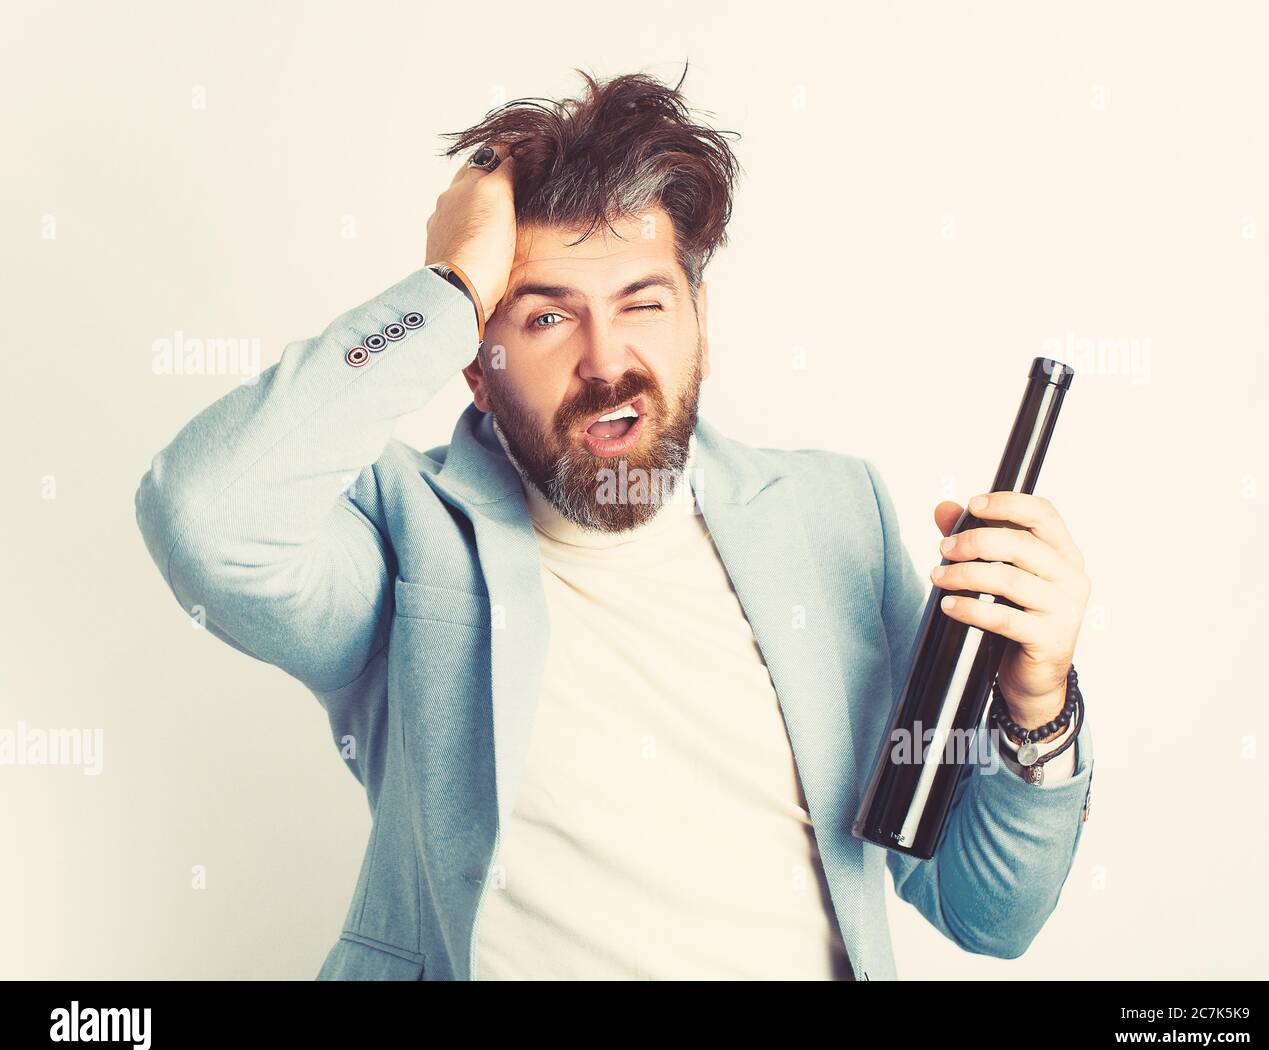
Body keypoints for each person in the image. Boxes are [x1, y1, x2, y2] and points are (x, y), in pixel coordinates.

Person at [134, 66, 1095, 981]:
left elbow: (986, 910)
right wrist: (449, 289)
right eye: (547, 318)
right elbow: (204, 515)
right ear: (476, 359)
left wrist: (1036, 699)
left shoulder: (831, 518)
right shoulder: (403, 534)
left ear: (700, 321)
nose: (606, 360)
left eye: (643, 302)